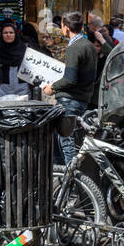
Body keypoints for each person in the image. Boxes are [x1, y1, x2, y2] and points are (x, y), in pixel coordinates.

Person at [43, 12, 97, 163]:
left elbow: (70, 79)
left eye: (61, 26)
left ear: (66, 28)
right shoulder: (89, 46)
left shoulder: (74, 48)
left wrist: (52, 88)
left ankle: (72, 181)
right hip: (82, 99)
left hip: (70, 101)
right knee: (74, 143)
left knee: (68, 145)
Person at [0, 19, 26, 89]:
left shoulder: (24, 49)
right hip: (2, 90)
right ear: (1, 34)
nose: (8, 35)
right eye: (5, 33)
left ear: (15, 34)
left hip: (23, 89)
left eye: (11, 32)